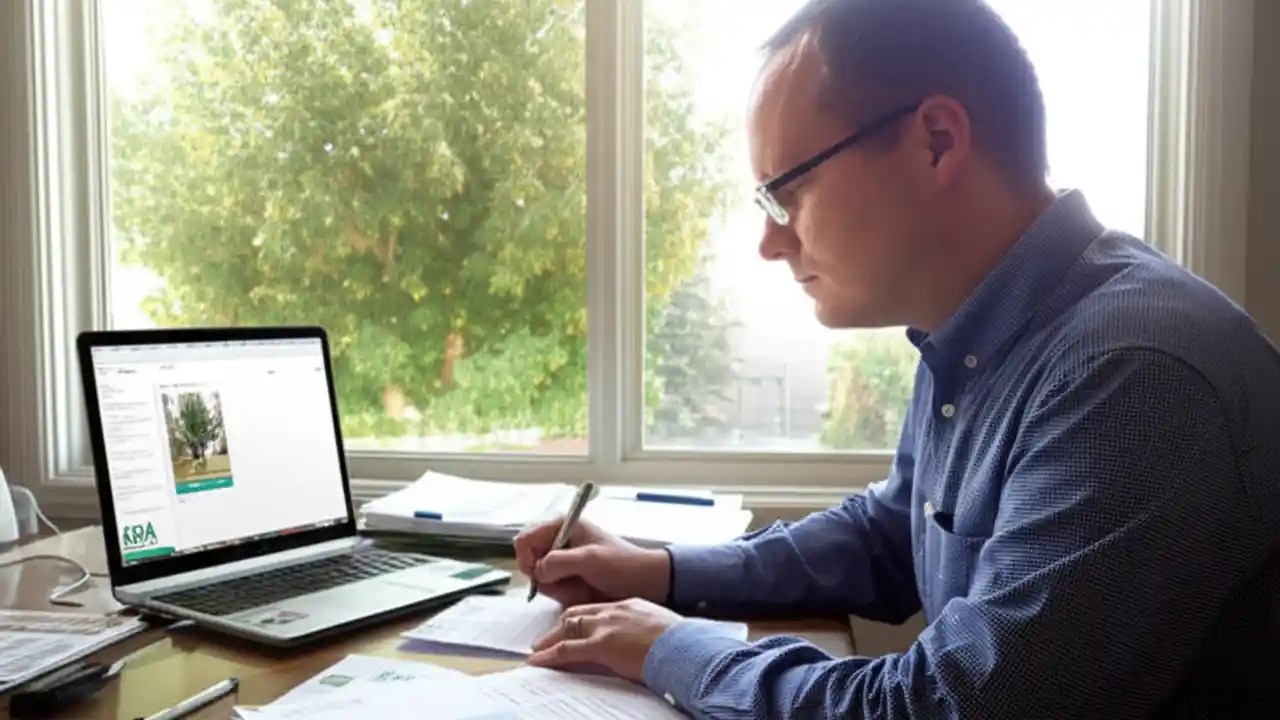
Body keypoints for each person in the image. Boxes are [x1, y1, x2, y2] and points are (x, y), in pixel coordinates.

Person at [514, 0, 1280, 717]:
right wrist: (664, 572)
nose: (770, 242)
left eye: (787, 190)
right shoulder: (980, 330)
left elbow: (946, 706)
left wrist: (674, 651)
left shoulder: (1132, 377)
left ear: (938, 140)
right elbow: (892, 536)